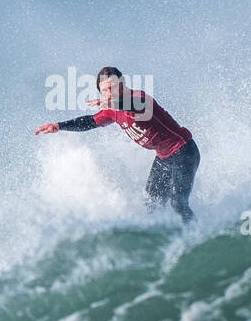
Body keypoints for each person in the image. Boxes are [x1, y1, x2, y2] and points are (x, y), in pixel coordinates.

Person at [35, 66, 200, 223]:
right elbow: (89, 121)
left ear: (122, 84)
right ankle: (167, 238)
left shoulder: (139, 98)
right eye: (104, 90)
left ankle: (195, 233)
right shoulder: (111, 110)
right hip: (164, 158)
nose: (109, 93)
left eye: (112, 87)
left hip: (183, 152)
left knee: (178, 202)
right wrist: (59, 126)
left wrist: (112, 104)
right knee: (152, 205)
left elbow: (135, 106)